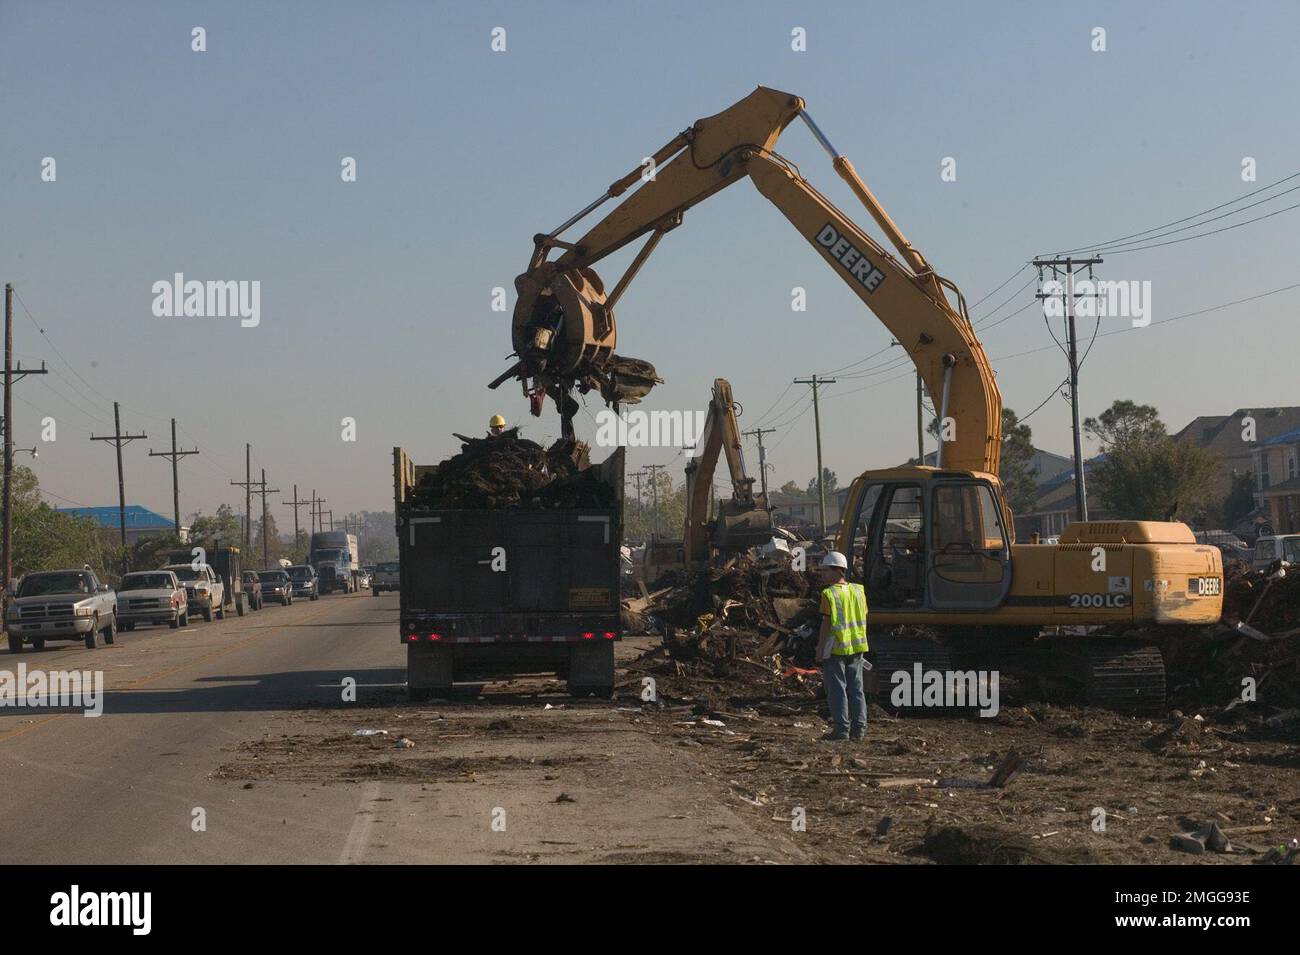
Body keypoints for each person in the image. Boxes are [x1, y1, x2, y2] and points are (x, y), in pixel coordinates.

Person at [815, 550, 870, 741]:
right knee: (856, 689)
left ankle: (841, 730)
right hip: (857, 647)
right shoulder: (858, 591)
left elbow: (826, 623)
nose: (822, 575)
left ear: (838, 571)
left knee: (837, 690)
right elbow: (862, 615)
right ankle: (859, 730)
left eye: (825, 571)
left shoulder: (829, 594)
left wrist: (821, 649)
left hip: (836, 648)